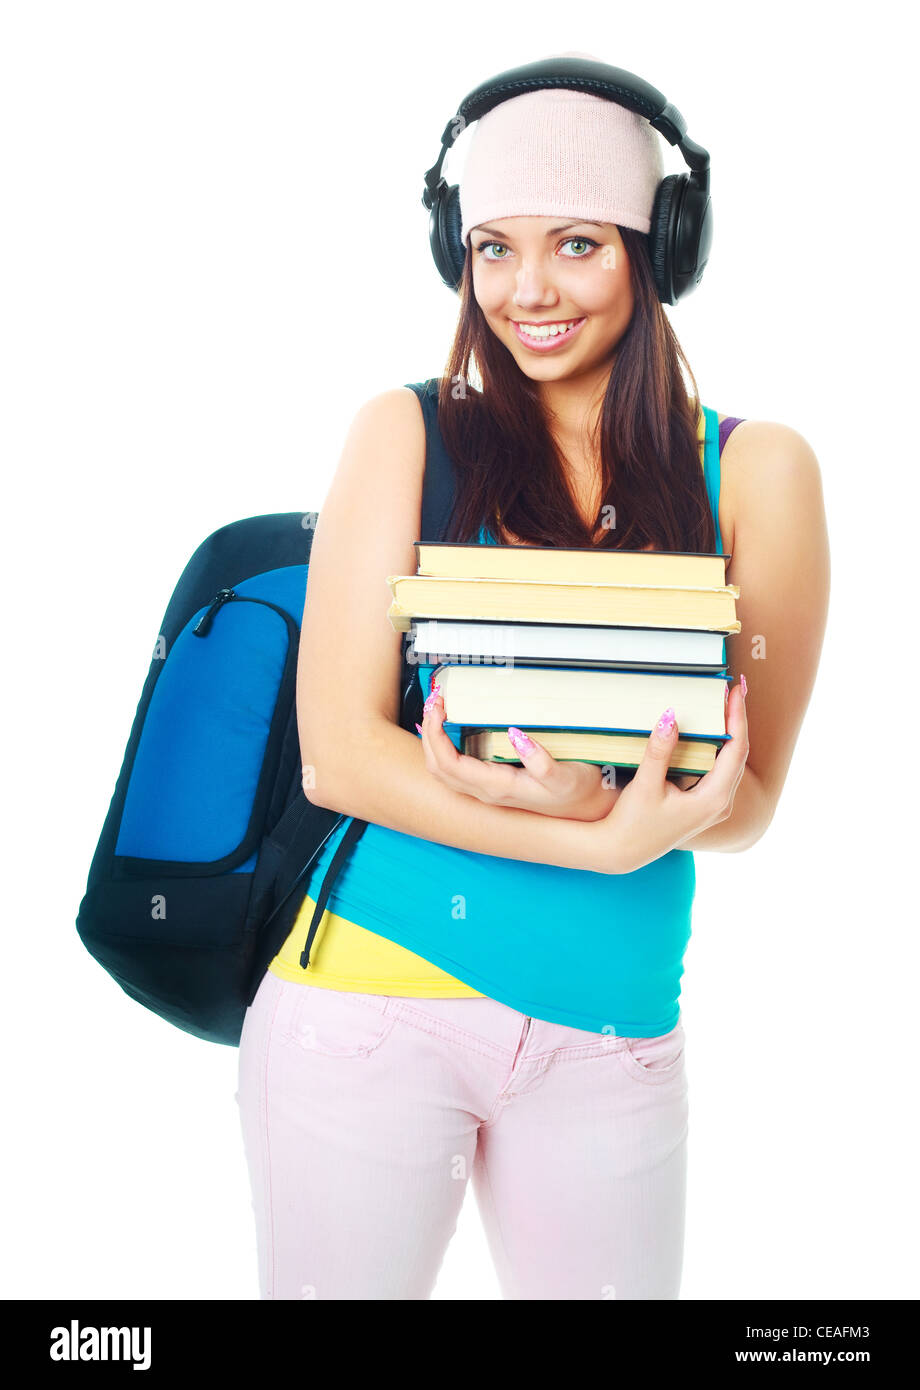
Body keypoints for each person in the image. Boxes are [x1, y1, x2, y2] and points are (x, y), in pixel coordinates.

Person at [235, 69, 830, 1301]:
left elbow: (752, 792)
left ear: (658, 246)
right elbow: (337, 754)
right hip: (368, 1010)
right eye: (494, 249)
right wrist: (592, 833)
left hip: (611, 1034)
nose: (528, 291)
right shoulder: (404, 433)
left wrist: (611, 818)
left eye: (575, 244)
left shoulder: (757, 472)